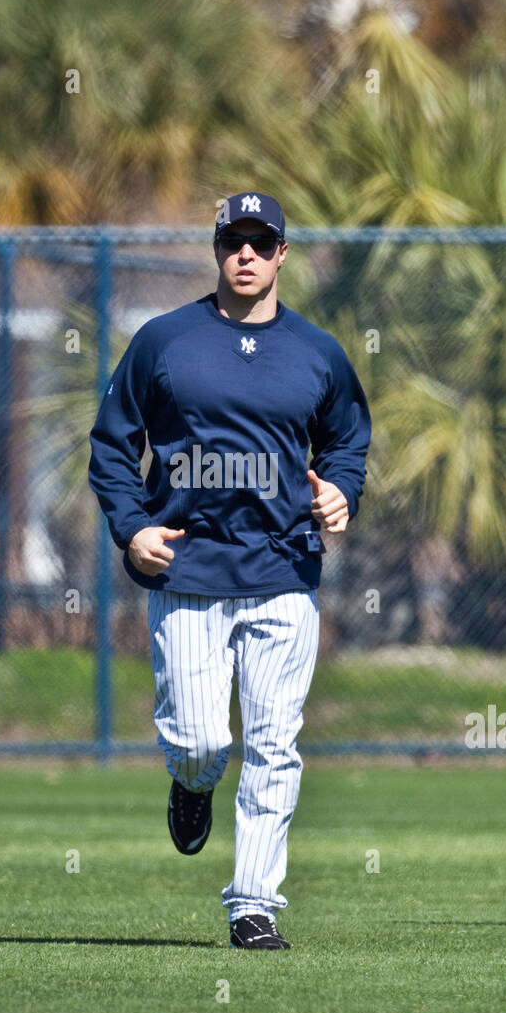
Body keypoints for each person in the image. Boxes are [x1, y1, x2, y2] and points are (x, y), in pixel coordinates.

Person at [89, 193, 370, 949]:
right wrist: (132, 528)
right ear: (216, 249)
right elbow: (112, 446)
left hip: (284, 570)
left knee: (276, 741)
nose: (245, 254)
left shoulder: (318, 352)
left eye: (261, 241)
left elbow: (347, 442)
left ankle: (254, 904)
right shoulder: (163, 342)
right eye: (232, 241)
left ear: (283, 253)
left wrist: (343, 490)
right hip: (188, 568)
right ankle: (190, 780)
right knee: (204, 740)